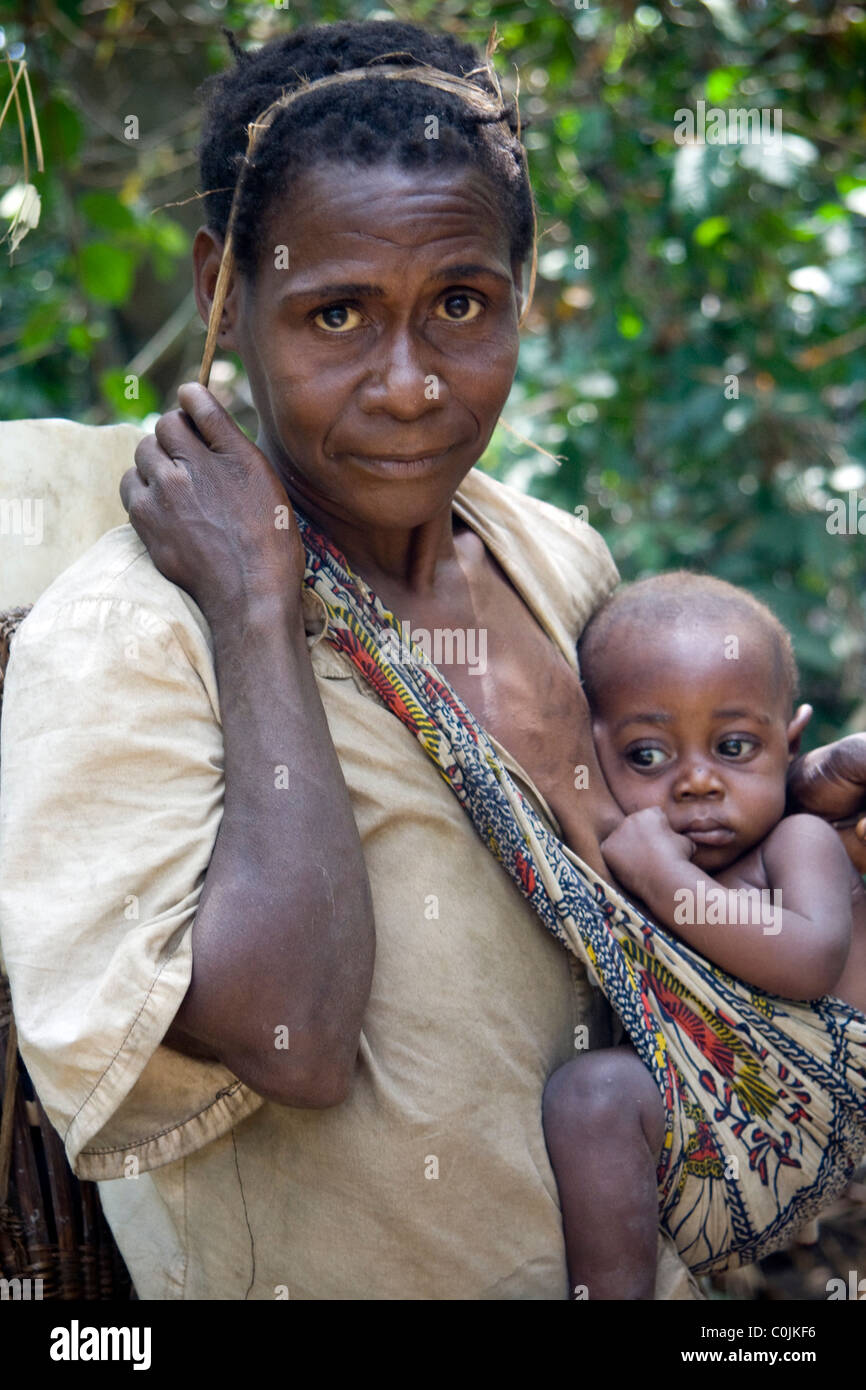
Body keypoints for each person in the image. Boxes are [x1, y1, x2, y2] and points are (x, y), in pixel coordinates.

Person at [0, 19, 864, 1301]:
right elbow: (289, 1039)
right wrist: (256, 609)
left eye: (458, 304)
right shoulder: (133, 633)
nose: (407, 386)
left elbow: (624, 888)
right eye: (336, 312)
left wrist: (793, 823)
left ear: (521, 291)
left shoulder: (549, 556)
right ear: (221, 293)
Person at [542, 572, 866, 1300]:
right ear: (592, 756)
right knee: (595, 1100)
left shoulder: (800, 842)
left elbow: (810, 961)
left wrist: (666, 883)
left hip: (803, 1127)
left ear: (791, 745)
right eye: (647, 757)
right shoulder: (604, 875)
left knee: (596, 1092)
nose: (696, 782)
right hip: (699, 1153)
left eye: (733, 746)